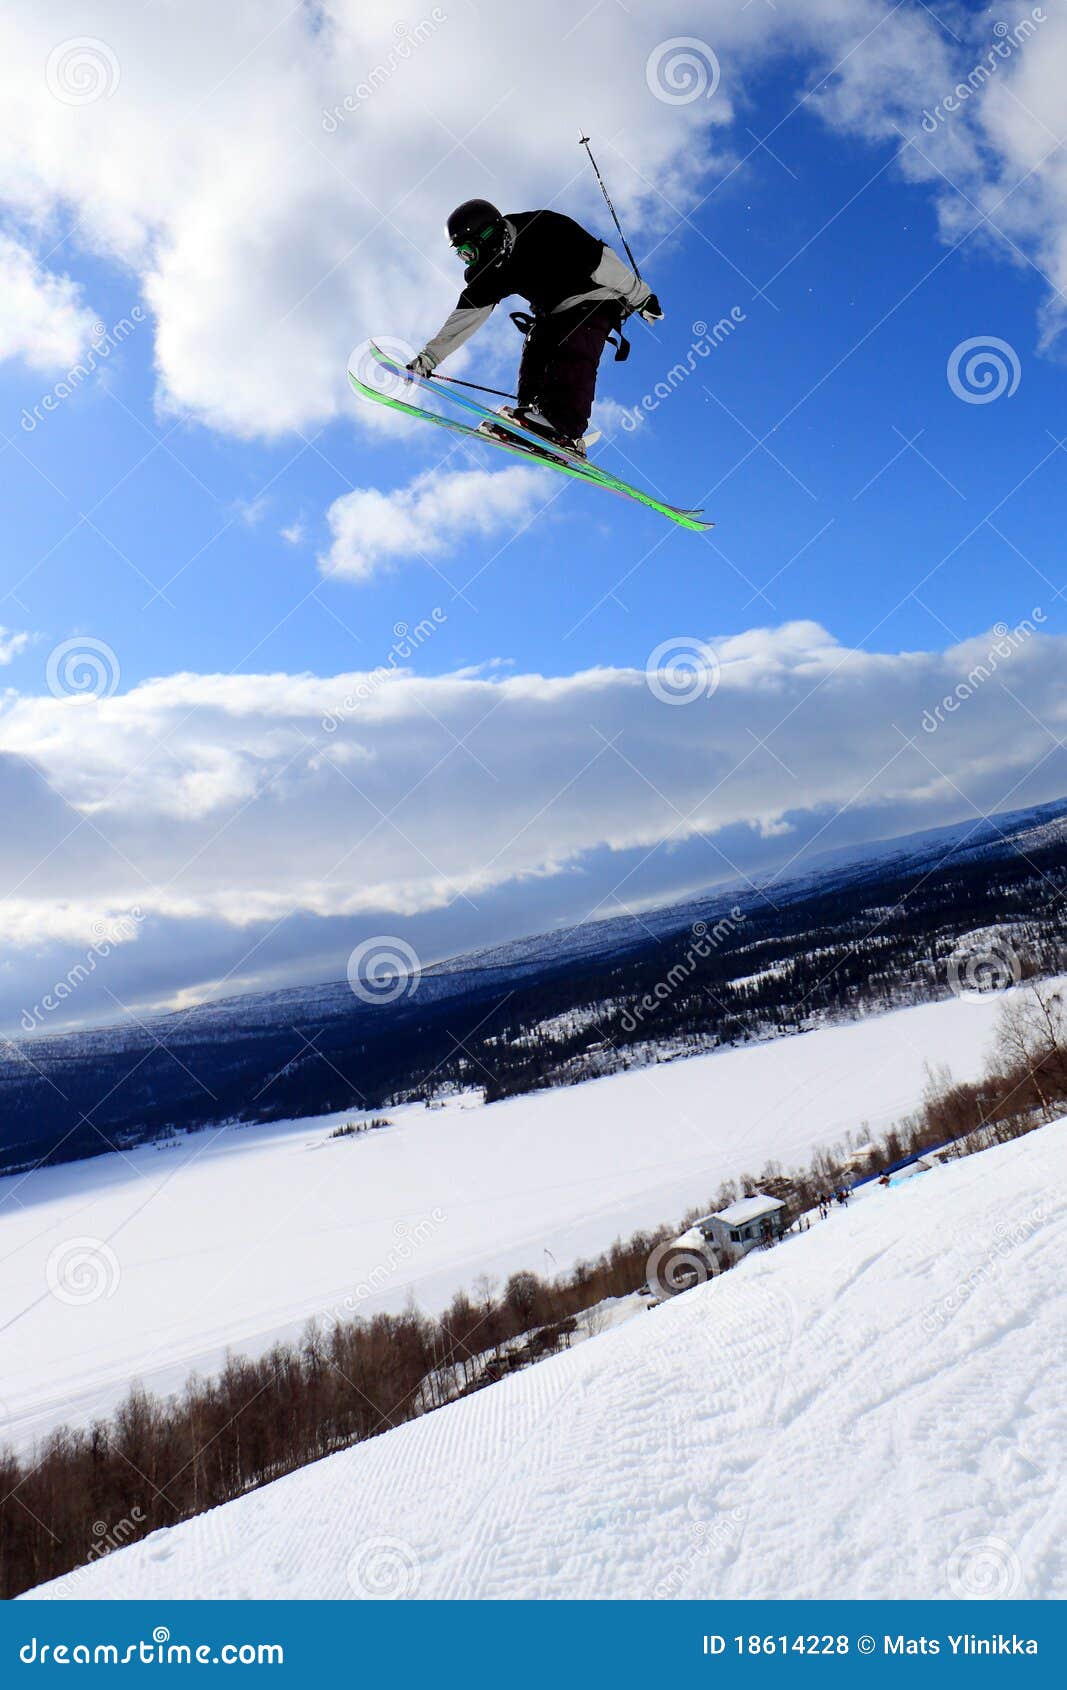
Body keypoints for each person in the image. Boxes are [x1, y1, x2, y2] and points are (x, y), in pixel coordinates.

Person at [405, 198, 663, 457]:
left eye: (468, 252)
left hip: (596, 299)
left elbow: (603, 262)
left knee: (575, 341)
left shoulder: (545, 227)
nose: (468, 261)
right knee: (536, 343)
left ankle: (565, 428)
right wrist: (429, 358)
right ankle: (533, 419)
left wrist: (642, 297)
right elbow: (465, 317)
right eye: (462, 256)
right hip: (554, 312)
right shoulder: (492, 272)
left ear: (488, 236)